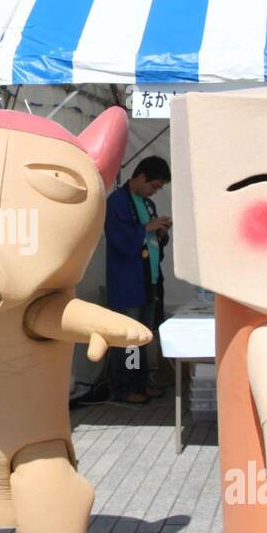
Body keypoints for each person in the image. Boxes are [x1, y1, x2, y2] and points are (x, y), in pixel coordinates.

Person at [104, 156, 171, 403]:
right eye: (154, 186)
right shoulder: (117, 202)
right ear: (141, 177)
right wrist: (147, 228)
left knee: (143, 336)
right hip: (127, 282)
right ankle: (126, 387)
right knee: (129, 340)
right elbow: (118, 239)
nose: (155, 192)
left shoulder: (147, 204)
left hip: (149, 280)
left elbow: (154, 241)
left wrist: (161, 231)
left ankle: (140, 383)